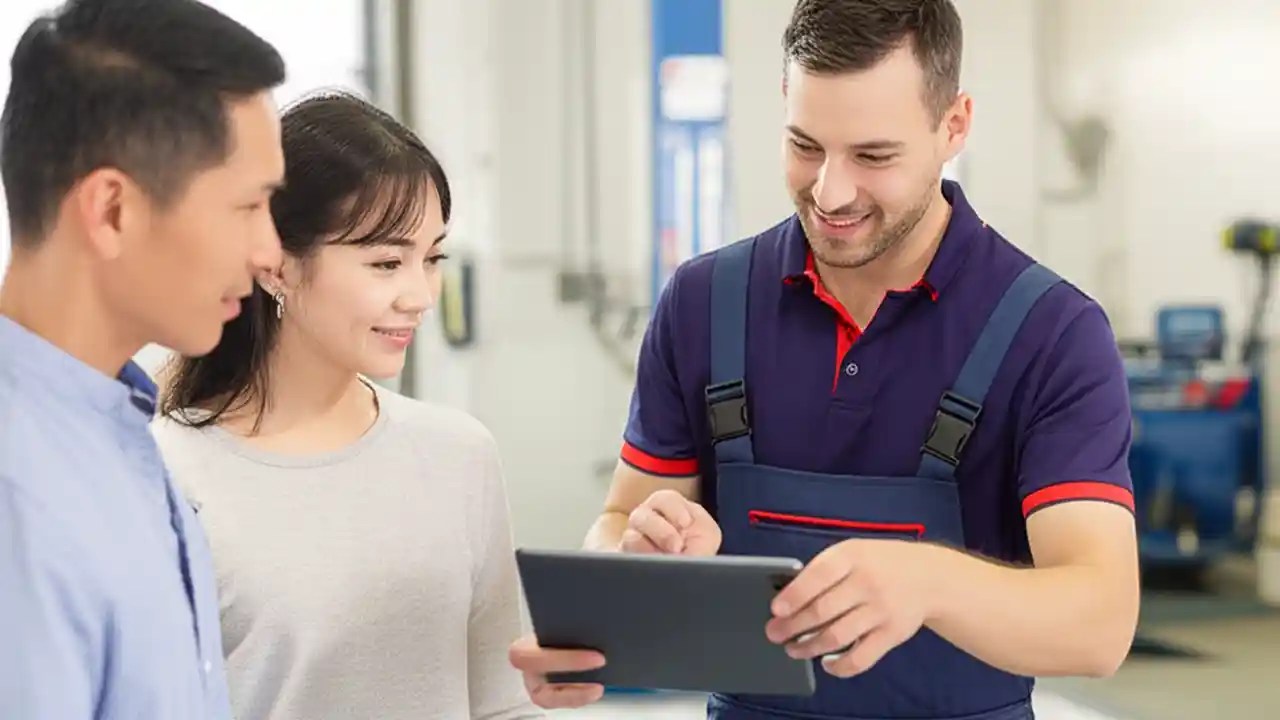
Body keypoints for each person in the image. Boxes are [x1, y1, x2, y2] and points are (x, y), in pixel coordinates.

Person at [509, 1, 1140, 718]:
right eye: (806, 145)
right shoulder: (702, 303)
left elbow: (1100, 625)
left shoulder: (1053, 334)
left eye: (873, 156)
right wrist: (633, 563)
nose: (831, 193)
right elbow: (620, 518)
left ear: (954, 125)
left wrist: (928, 583)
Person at [151, 90, 541, 720]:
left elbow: (503, 704)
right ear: (275, 266)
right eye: (386, 262)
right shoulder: (167, 472)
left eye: (432, 258)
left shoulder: (460, 455)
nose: (420, 295)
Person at [0, 0, 285, 717]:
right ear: (112, 212)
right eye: (248, 207)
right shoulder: (19, 491)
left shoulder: (106, 429)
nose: (268, 252)